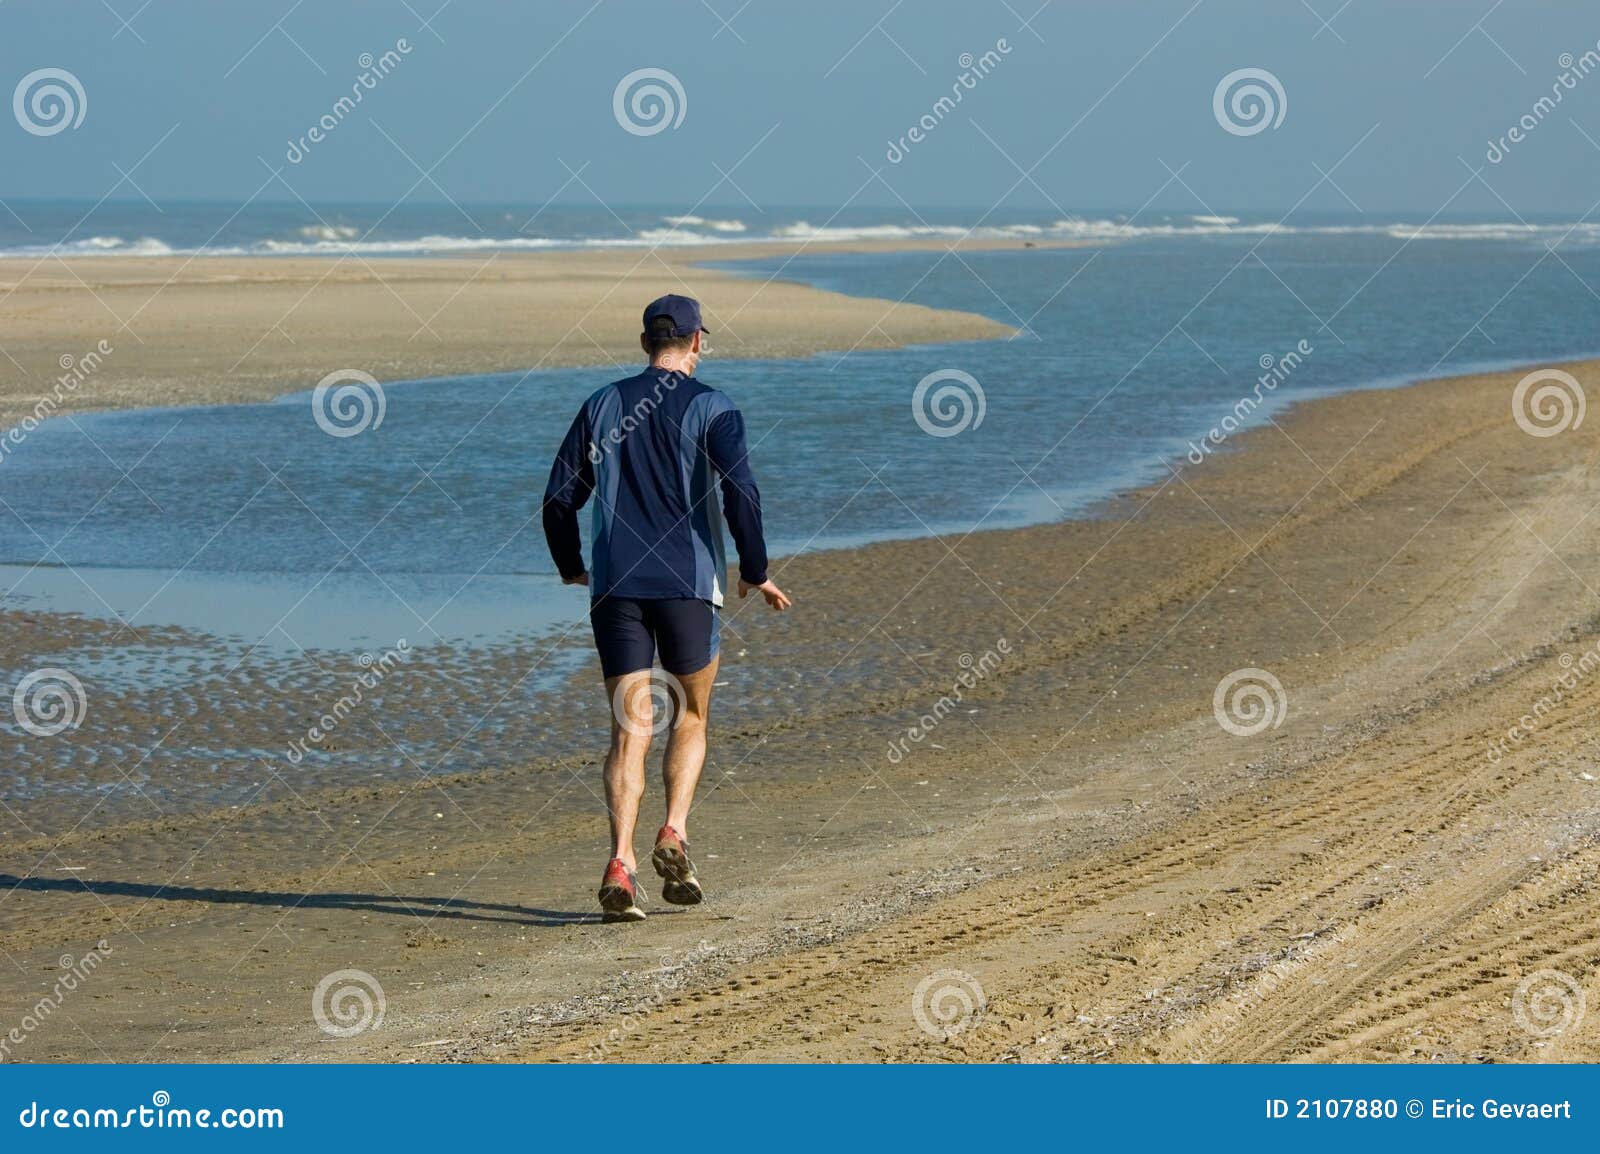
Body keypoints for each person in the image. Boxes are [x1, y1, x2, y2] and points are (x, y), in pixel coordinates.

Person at [542, 293, 791, 923]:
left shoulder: (601, 404)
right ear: (697, 341)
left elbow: (557, 499)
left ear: (646, 342)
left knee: (631, 731)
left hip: (616, 587)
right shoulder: (714, 407)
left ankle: (620, 864)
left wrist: (572, 565)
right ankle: (673, 832)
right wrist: (756, 570)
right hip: (688, 585)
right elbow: (743, 494)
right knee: (693, 714)